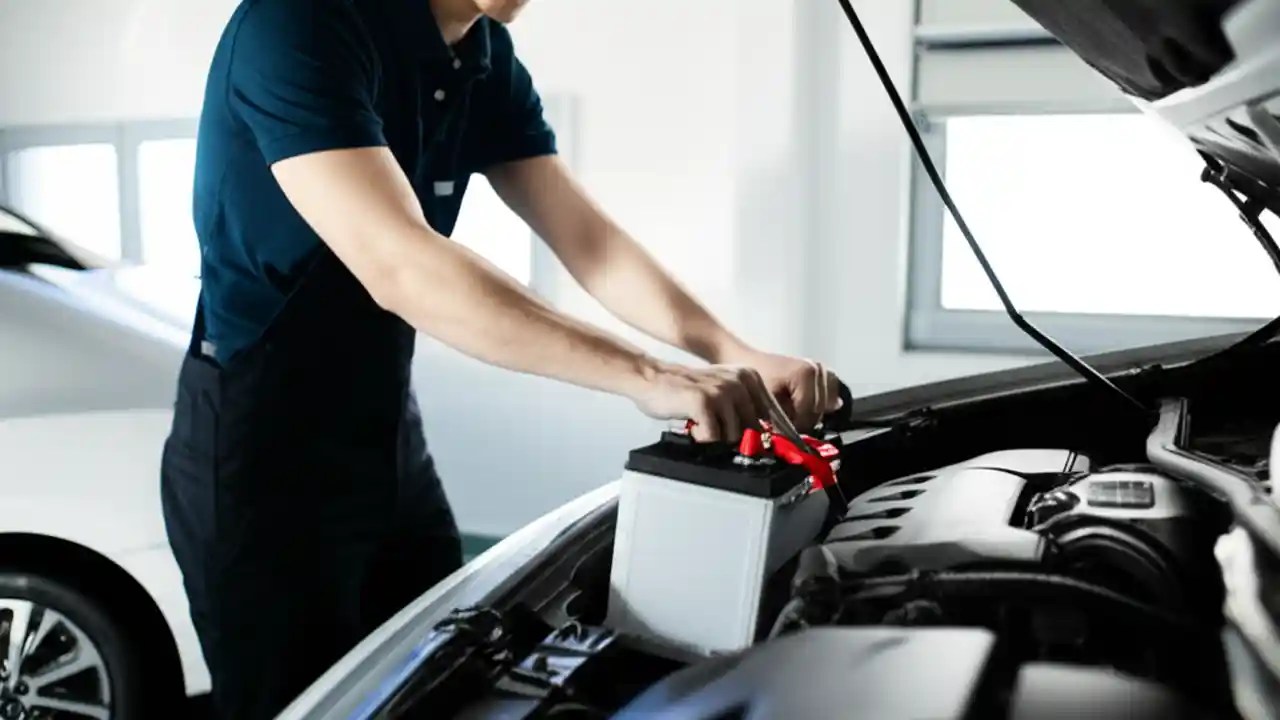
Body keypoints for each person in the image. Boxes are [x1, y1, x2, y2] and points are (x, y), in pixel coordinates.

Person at [160, 0, 843, 717]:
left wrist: (733, 353)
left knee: (435, 684)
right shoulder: (298, 23)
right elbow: (403, 267)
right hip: (257, 446)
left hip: (385, 434)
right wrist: (651, 375)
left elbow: (592, 244)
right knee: (302, 704)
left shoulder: (482, 58)